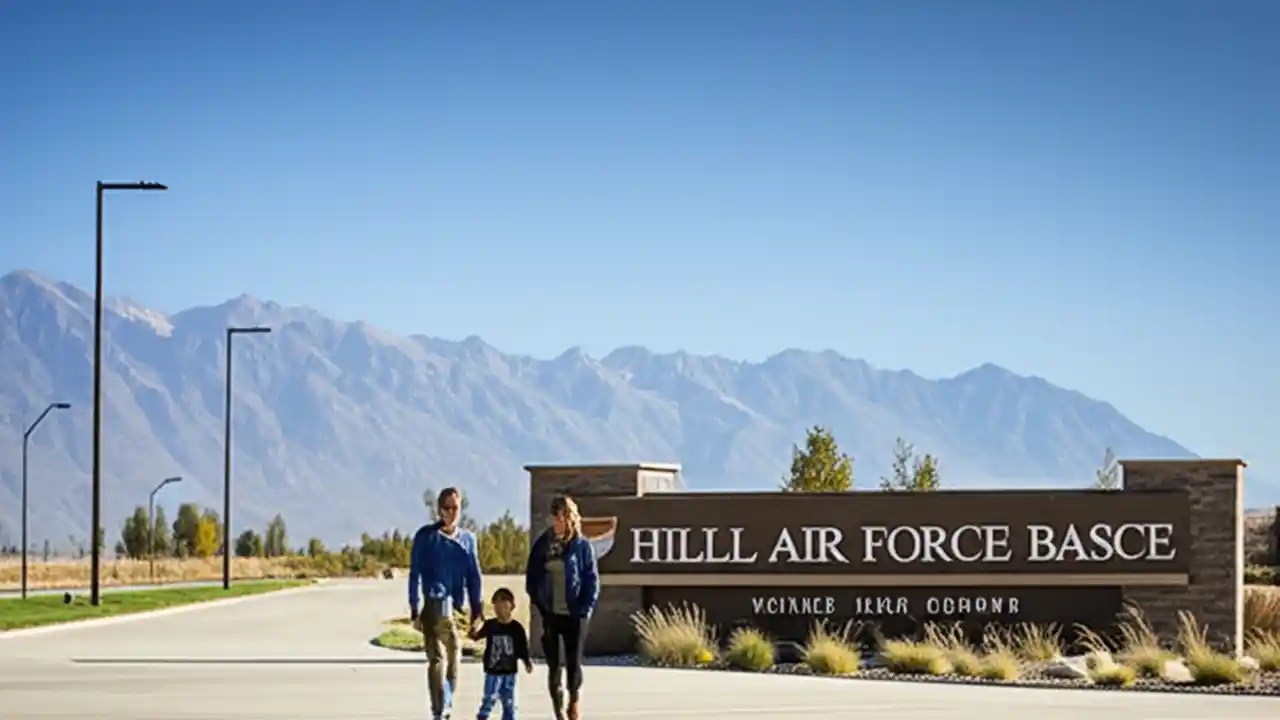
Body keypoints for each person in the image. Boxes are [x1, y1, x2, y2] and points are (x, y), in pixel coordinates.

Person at [410, 487, 485, 720]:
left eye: (456, 508)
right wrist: (414, 608)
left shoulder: (467, 540)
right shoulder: (426, 538)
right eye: (447, 508)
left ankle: (446, 703)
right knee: (437, 657)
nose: (452, 513)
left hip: (455, 604)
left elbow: (474, 576)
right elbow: (415, 574)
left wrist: (477, 611)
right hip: (433, 603)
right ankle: (438, 709)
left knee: (454, 653)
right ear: (439, 510)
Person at [524, 495, 600, 720]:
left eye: (563, 516)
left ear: (571, 518)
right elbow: (533, 577)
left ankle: (574, 701)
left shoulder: (581, 546)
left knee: (573, 662)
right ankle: (558, 711)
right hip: (550, 613)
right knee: (554, 665)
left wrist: (585, 608)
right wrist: (539, 602)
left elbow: (591, 579)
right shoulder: (543, 544)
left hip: (575, 615)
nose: (558, 521)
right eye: (555, 516)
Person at [469, 587, 533, 720]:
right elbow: (477, 636)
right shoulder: (490, 625)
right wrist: (473, 628)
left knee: (509, 702)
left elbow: (522, 647)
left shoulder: (516, 628)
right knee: (489, 698)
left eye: (503, 604)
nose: (499, 609)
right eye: (496, 605)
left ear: (511, 607)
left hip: (509, 672)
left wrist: (527, 661)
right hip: (493, 671)